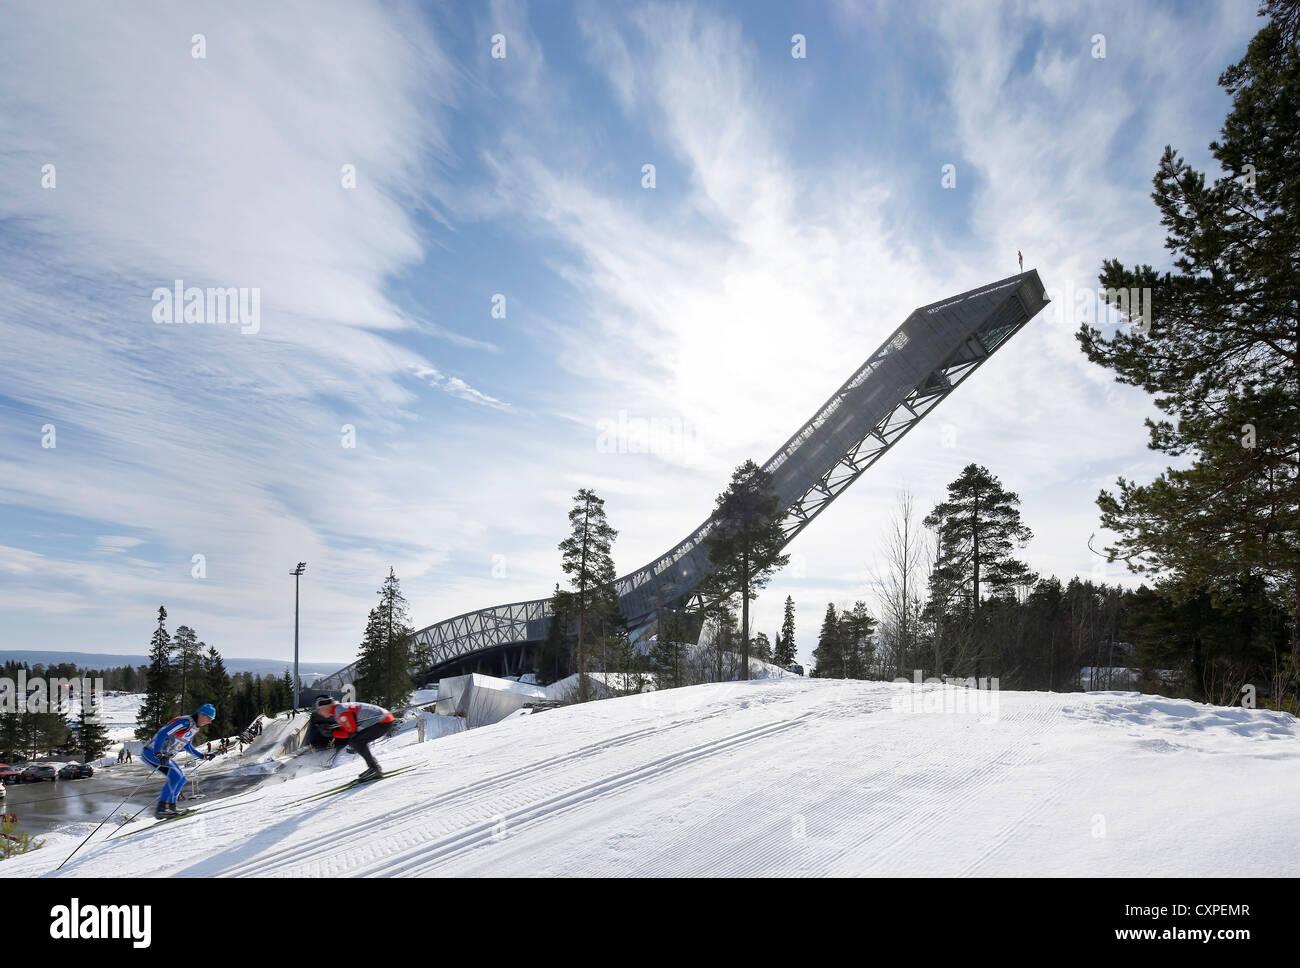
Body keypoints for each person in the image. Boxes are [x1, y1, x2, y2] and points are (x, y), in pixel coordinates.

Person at [141, 704, 218, 819]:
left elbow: (187, 746)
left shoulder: (194, 727)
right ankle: (162, 809)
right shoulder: (185, 722)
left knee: (182, 778)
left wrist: (202, 756)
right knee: (176, 776)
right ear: (201, 715)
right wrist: (158, 752)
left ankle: (171, 807)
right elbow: (163, 733)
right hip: (152, 753)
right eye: (209, 718)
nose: (210, 722)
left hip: (164, 756)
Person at [312, 696, 395, 782]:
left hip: (383, 721)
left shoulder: (340, 711)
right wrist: (333, 730)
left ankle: (374, 769)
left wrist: (332, 733)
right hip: (384, 719)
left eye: (319, 710)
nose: (319, 713)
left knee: (357, 742)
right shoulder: (339, 709)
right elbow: (349, 728)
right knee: (355, 741)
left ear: (326, 706)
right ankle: (374, 767)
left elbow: (351, 732)